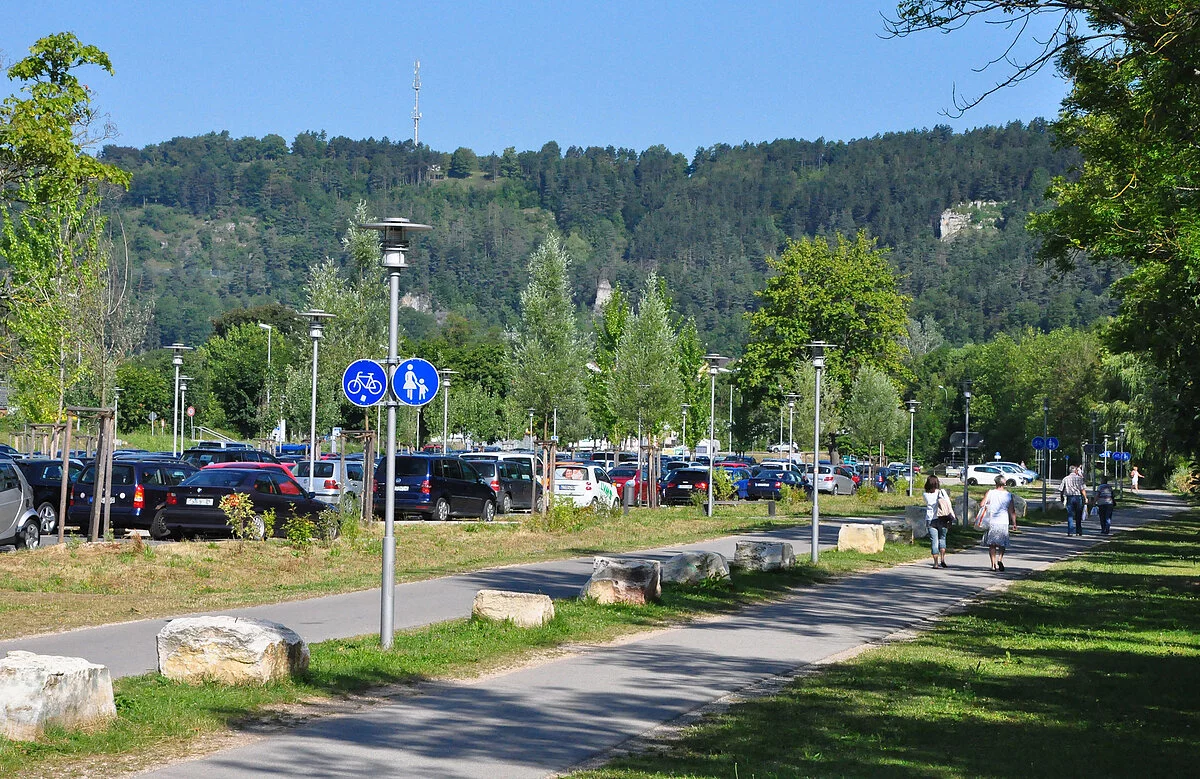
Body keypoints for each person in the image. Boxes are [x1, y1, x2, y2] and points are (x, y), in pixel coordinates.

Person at [976, 474, 1018, 571]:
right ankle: (1000, 559)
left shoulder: (990, 493)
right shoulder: (1008, 495)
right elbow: (1012, 510)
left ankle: (993, 564)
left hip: (992, 521)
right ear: (1004, 483)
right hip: (1003, 521)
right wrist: (1014, 523)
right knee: (1002, 543)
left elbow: (982, 504)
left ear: (995, 482)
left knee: (992, 544)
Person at [922, 475, 953, 568]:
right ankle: (942, 559)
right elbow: (948, 504)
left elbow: (928, 503)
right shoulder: (941, 492)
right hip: (942, 518)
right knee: (942, 539)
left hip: (930, 520)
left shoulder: (925, 494)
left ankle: (935, 563)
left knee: (934, 541)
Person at [1058, 464, 1089, 536]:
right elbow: (1082, 489)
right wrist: (1085, 498)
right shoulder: (1079, 478)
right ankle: (1079, 531)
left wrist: (1062, 497)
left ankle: (1070, 531)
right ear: (1075, 471)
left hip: (1070, 497)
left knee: (1070, 515)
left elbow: (1061, 489)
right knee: (1078, 515)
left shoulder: (1065, 479)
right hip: (1078, 497)